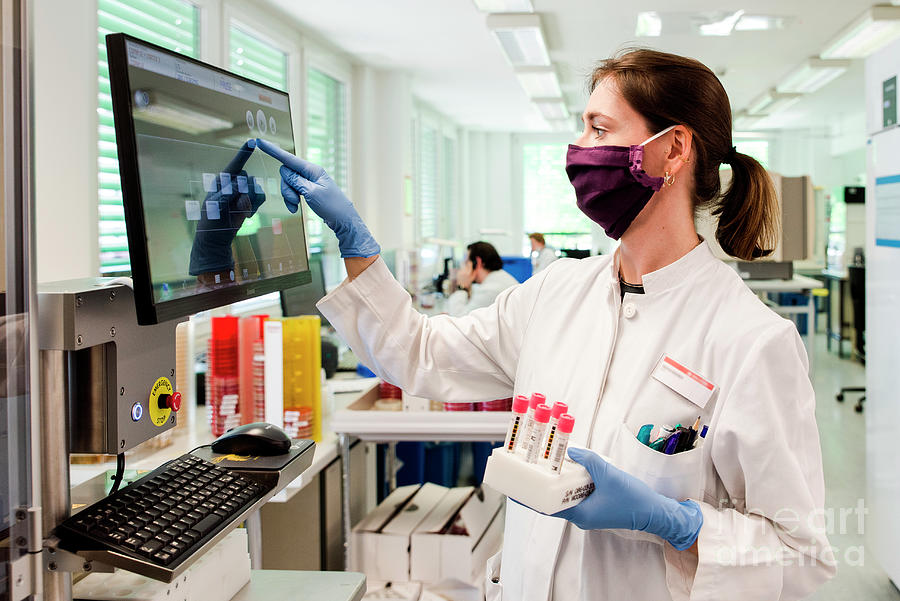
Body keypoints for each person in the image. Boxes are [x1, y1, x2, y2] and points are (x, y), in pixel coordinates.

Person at [255, 48, 834, 601]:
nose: (578, 148)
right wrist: (357, 247)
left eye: (600, 130)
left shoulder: (751, 341)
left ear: (673, 149)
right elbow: (422, 354)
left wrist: (678, 525)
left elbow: (800, 555)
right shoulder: (558, 292)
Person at [447, 241, 519, 317]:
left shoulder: (491, 289)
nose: (463, 268)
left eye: (466, 263)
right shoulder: (498, 278)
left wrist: (462, 287)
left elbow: (460, 320)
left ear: (478, 262)